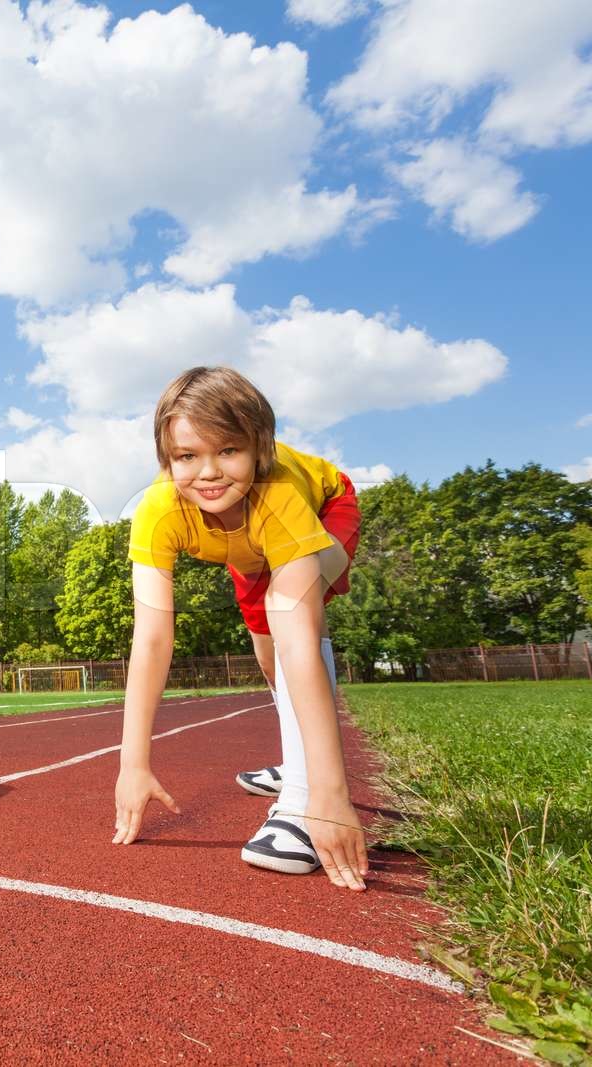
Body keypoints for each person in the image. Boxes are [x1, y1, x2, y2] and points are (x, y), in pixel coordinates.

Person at [112, 366, 368, 891]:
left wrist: (330, 794)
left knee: (290, 613)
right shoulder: (159, 511)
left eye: (228, 450)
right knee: (265, 649)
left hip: (324, 507)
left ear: (260, 449)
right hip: (245, 543)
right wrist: (133, 764)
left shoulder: (280, 495)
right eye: (187, 456)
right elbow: (153, 638)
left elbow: (301, 644)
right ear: (166, 460)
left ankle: (299, 795)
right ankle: (293, 753)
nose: (207, 472)